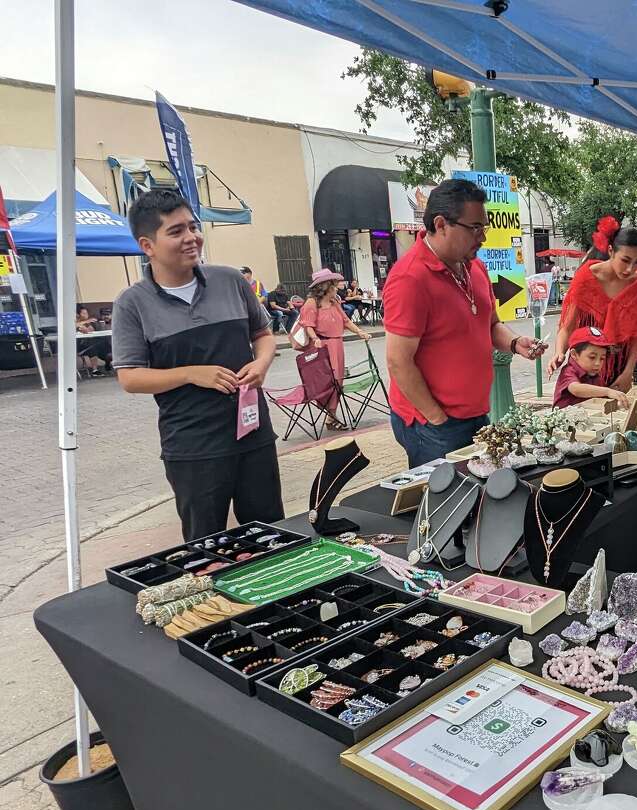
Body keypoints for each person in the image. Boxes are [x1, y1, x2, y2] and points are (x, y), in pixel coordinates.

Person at [113, 189, 282, 542]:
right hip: (193, 447)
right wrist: (192, 373)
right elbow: (130, 377)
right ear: (148, 245)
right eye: (176, 231)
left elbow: (262, 333)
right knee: (205, 547)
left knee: (271, 534)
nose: (191, 238)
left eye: (193, 226)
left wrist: (262, 362)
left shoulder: (231, 281)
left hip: (252, 433)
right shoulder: (132, 304)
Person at [382, 178, 545, 467]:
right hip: (434, 426)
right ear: (442, 224)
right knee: (447, 506)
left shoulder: (474, 266)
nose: (482, 237)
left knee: (478, 498)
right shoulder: (410, 278)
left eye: (485, 227)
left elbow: (490, 323)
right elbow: (398, 362)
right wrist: (436, 418)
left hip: (475, 414)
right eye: (475, 228)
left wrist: (515, 342)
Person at [547, 218, 637, 393]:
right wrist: (559, 352)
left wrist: (628, 373)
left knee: (615, 417)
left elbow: (636, 335)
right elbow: (568, 325)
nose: (630, 269)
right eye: (625, 260)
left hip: (618, 368)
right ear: (611, 251)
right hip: (586, 366)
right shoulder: (586, 277)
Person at [298, 268, 373, 431]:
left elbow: (346, 321)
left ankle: (331, 416)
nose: (337, 288)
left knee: (337, 380)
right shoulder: (312, 304)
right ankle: (330, 416)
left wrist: (360, 331)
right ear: (325, 287)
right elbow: (308, 325)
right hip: (322, 347)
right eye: (334, 285)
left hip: (337, 345)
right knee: (327, 382)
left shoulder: (335, 302)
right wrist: (315, 339)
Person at [552, 326, 630, 409]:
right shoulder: (569, 371)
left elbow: (600, 397)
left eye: (602, 358)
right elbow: (576, 389)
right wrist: (607, 391)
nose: (597, 363)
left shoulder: (595, 375)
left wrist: (617, 397)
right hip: (565, 419)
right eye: (592, 357)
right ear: (574, 354)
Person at [76, 306, 106, 376]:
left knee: (102, 343)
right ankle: (95, 370)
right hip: (78, 346)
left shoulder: (87, 323)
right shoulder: (75, 323)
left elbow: (90, 330)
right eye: (83, 313)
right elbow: (81, 328)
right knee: (92, 347)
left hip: (89, 344)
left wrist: (88, 323)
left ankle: (109, 362)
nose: (86, 315)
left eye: (86, 313)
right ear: (78, 315)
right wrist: (85, 322)